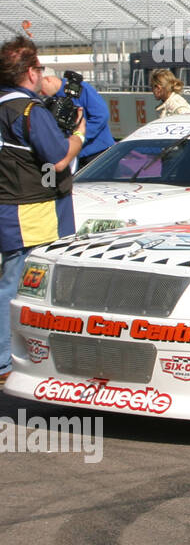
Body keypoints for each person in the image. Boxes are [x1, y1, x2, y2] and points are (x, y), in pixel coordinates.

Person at [0, 37, 84, 385]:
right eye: (40, 68)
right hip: (31, 212)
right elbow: (59, 158)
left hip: (12, 207)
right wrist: (78, 134)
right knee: (18, 286)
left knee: (12, 284)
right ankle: (6, 360)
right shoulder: (28, 111)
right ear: (31, 72)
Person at [40, 70, 113, 164]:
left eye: (40, 86)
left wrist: (79, 138)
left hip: (97, 152)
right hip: (73, 155)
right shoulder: (50, 100)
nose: (40, 92)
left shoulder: (81, 88)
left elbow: (100, 116)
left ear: (48, 79)